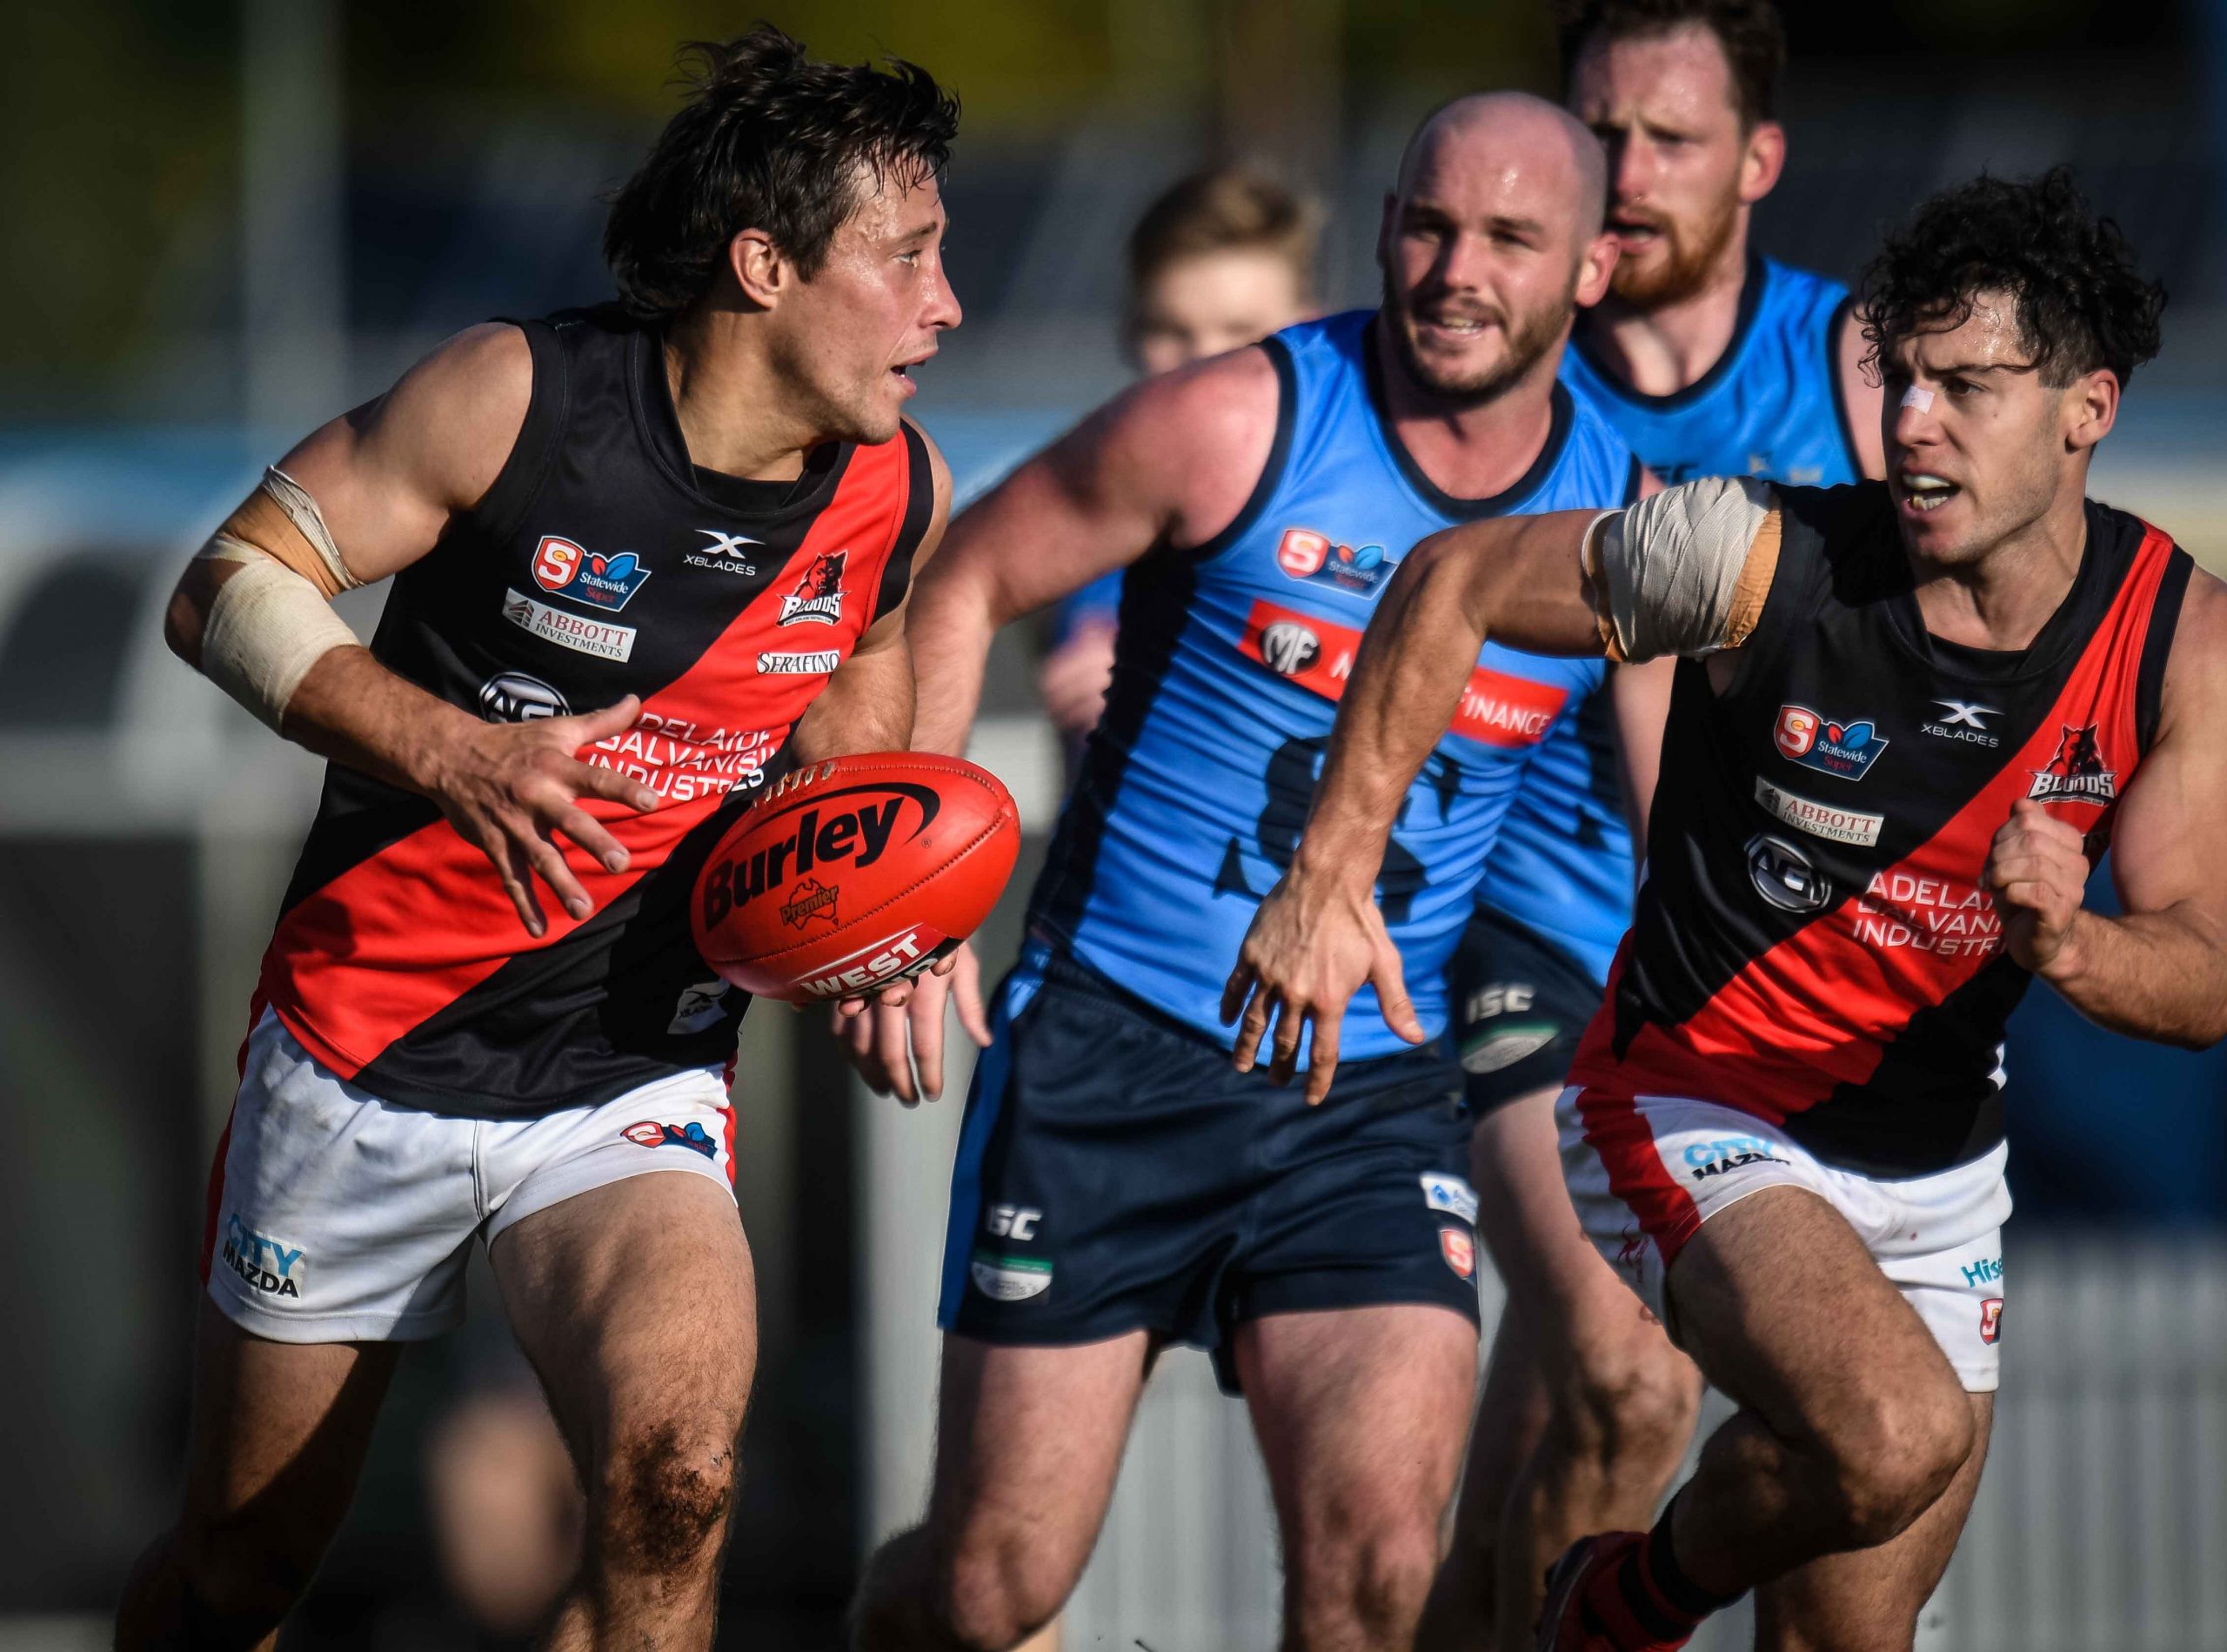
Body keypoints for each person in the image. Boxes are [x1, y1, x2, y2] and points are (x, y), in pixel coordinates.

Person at [1225, 167, 2223, 1652]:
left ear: (2089, 406)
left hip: (1940, 1167)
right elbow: (1451, 581)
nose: (1913, 423)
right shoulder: (1764, 558)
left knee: (1847, 1625)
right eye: (1901, 381)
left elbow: (2203, 974)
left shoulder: (2176, 632)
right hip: (1693, 1095)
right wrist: (1330, 867)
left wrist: (2070, 941)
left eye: (1968, 387)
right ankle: (1619, 1602)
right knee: (1895, 1432)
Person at [113, 28, 960, 1652]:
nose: (948, 306)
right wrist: (455, 750)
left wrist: (868, 899)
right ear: (764, 263)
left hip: (626, 1073)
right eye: (910, 258)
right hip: (366, 1057)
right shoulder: (521, 395)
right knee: (238, 1574)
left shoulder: (892, 486)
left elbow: (867, 663)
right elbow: (224, 587)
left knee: (674, 1479)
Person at [842, 92, 1649, 1652]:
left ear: (1594, 267)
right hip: (1112, 1055)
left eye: (1509, 238)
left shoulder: (1615, 522)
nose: (1455, 268)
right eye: (1428, 223)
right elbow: (962, 578)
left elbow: (1672, 815)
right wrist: (911, 892)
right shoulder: (1238, 419)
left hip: (1370, 1090)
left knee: (1379, 1569)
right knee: (991, 1586)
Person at [1423, 3, 1887, 1644]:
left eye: (1669, 139)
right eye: (1597, 130)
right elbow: (1282, 477)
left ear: (1759, 161)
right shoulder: (1486, 330)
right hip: (1542, 933)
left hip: (1796, 981)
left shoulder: (1862, 370)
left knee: (1832, 1474)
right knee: (1620, 1371)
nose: (1621, 173)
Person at [1038, 167, 1321, 745]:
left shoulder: (1365, 495)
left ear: (1308, 327)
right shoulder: (1079, 500)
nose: (1203, 364)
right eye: (1171, 331)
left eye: (1240, 330)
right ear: (1129, 331)